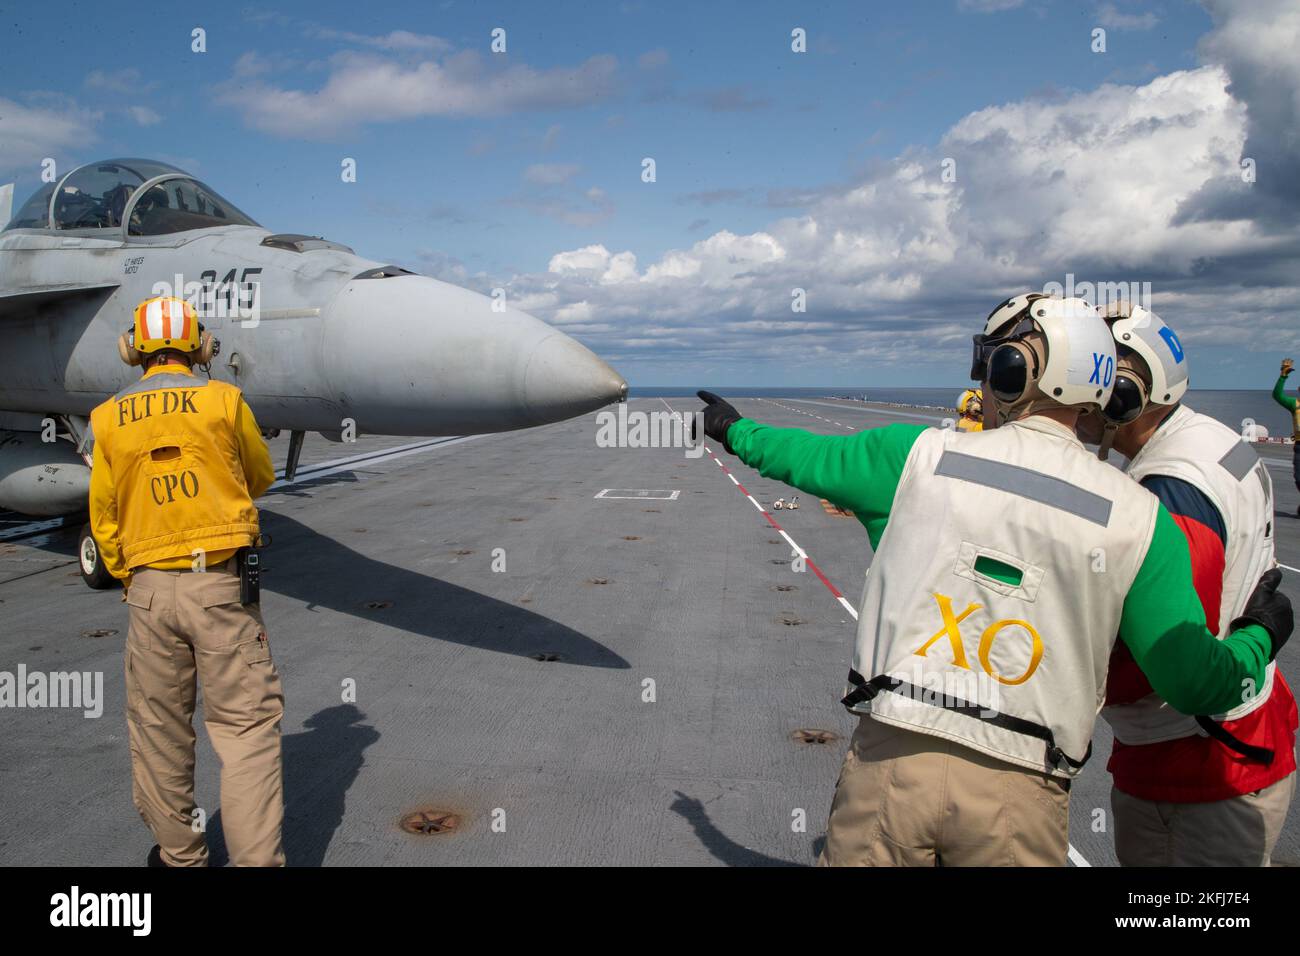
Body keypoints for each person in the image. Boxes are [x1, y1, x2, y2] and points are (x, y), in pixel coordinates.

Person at [694, 291, 1292, 866]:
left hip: (893, 761)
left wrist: (732, 429)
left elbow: (799, 456)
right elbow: (1193, 683)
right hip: (1022, 789)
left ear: (1012, 370)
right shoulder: (1142, 518)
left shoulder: (913, 458)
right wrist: (1259, 635)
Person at [1075, 304, 1296, 866]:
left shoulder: (1168, 490)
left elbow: (1171, 656)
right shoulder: (1213, 439)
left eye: (1089, 377)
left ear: (1122, 396)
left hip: (1193, 767)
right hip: (1242, 733)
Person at [89, 295, 283, 867]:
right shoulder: (224, 401)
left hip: (148, 594)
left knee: (159, 732)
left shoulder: (106, 417)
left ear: (133, 350)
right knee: (245, 734)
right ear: (199, 346)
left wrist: (133, 575)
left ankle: (180, 857)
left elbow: (103, 513)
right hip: (220, 588)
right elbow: (259, 475)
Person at [1274, 358, 1299, 516]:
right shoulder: (1294, 404)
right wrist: (1283, 376)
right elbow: (1277, 395)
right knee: (1299, 478)